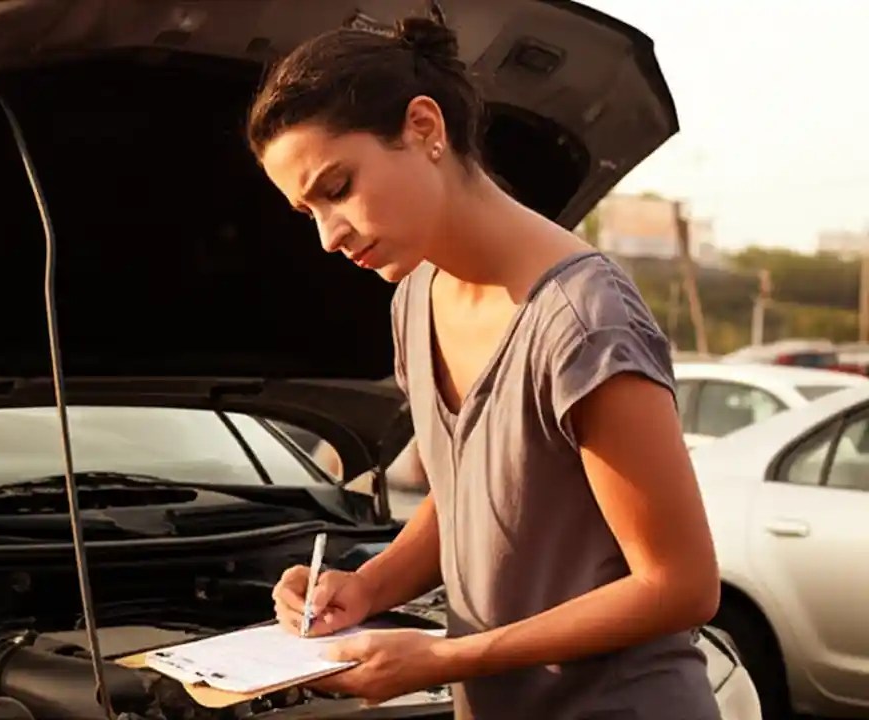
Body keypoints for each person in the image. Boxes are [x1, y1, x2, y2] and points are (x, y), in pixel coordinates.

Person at [247, 9, 721, 720]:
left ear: (425, 128)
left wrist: (445, 657)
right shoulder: (414, 297)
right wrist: (368, 587)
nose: (327, 236)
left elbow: (680, 586)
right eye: (307, 210)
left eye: (338, 187)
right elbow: (475, 495)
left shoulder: (583, 321)